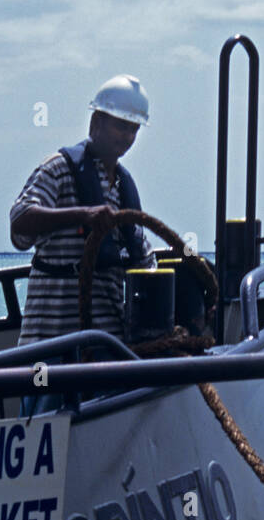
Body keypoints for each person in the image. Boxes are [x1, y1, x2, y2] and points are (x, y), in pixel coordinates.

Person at [9, 74, 157, 412]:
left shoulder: (124, 188)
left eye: (133, 129)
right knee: (41, 436)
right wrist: (82, 215)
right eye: (121, 126)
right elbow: (20, 221)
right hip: (47, 349)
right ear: (96, 122)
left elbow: (144, 257)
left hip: (104, 349)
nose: (128, 136)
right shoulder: (57, 170)